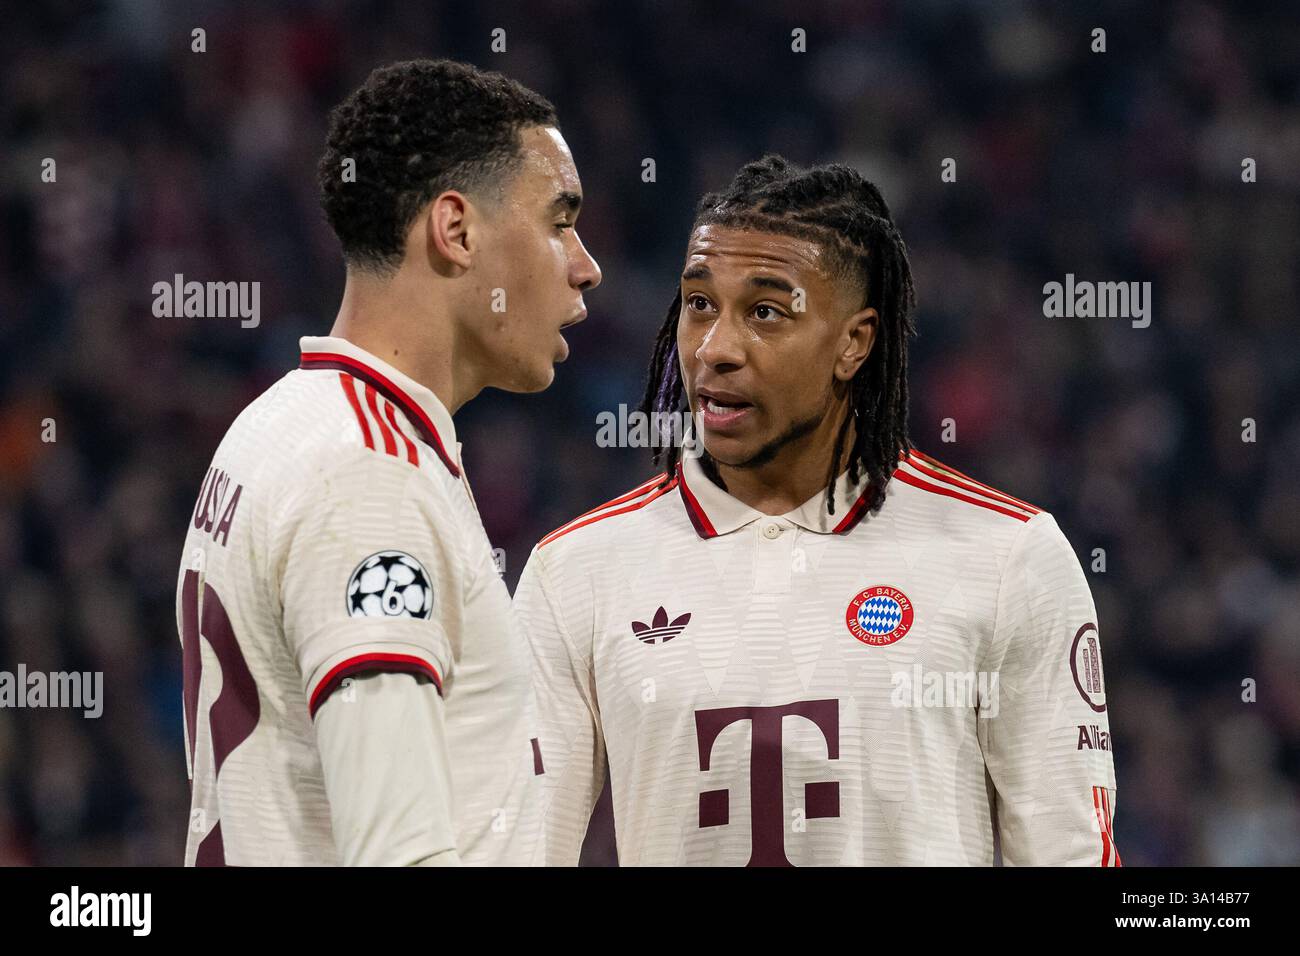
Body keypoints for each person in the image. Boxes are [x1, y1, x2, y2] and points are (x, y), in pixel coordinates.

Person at [516, 154, 1118, 866]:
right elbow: (515, 847)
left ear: (853, 343)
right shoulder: (576, 572)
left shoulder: (1008, 557)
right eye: (699, 304)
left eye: (765, 312)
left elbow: (1070, 854)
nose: (715, 349)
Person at [176, 58, 601, 865]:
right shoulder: (368, 474)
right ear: (456, 230)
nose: (585, 264)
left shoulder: (279, 424)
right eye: (559, 220)